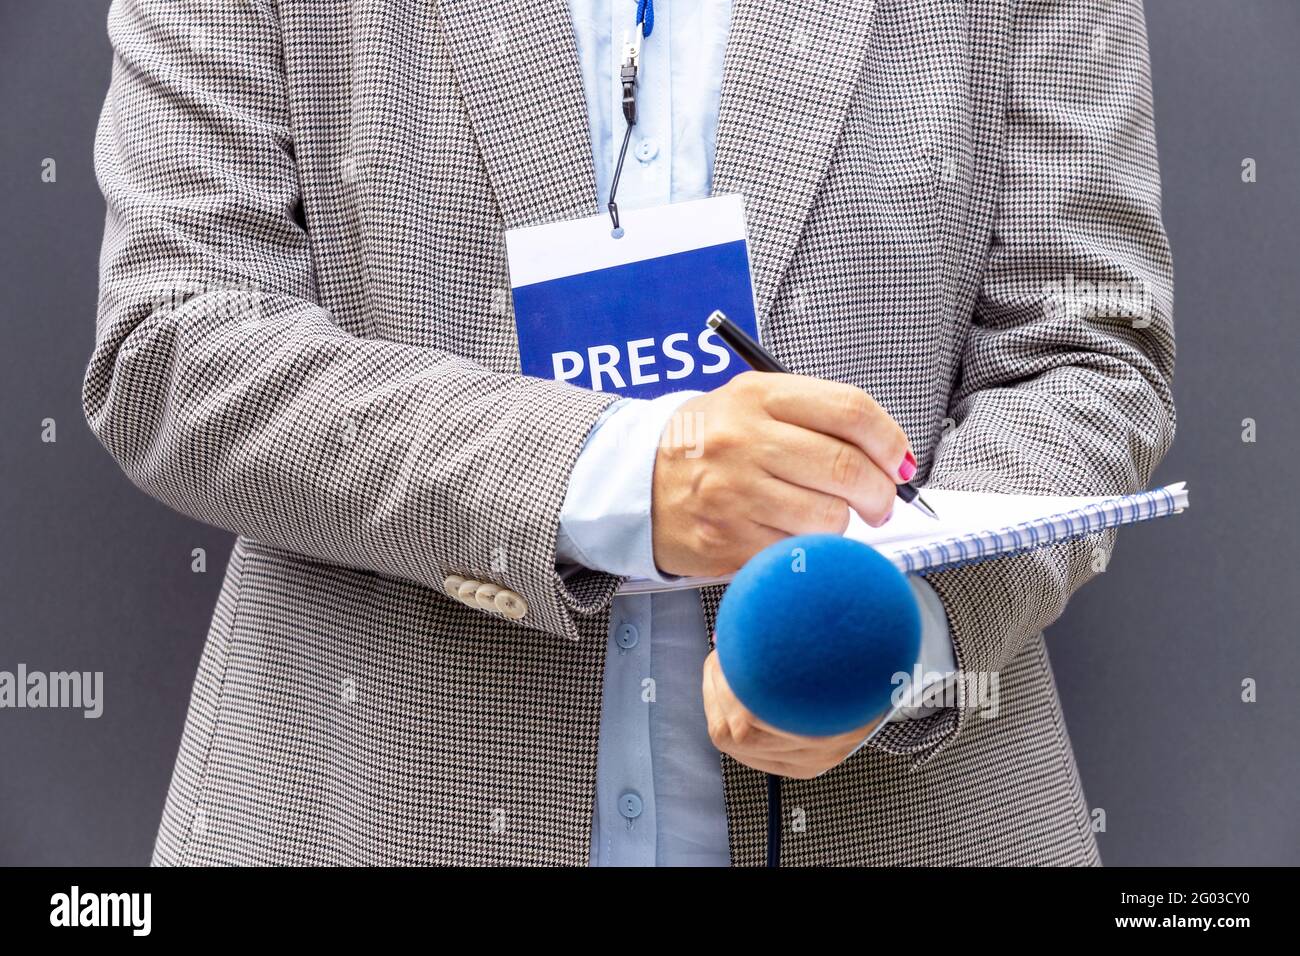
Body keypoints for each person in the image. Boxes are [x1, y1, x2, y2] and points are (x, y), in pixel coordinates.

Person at [86, 0, 1175, 866]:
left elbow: (1086, 352)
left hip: (908, 821)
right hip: (361, 806)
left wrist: (890, 629)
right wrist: (617, 474)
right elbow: (176, 341)